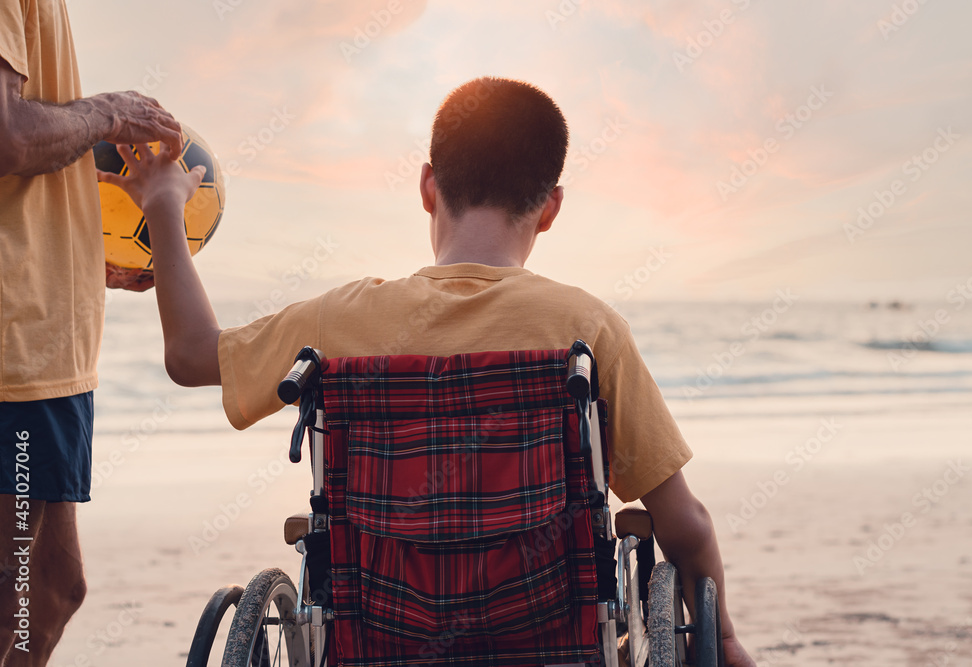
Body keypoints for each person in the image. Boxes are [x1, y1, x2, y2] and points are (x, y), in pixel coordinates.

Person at [103, 76, 756, 666]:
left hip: (381, 634)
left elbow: (191, 355)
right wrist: (722, 638)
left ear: (426, 185)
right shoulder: (587, 327)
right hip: (547, 637)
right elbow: (684, 523)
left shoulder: (340, 320)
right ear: (551, 206)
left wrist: (163, 203)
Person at [0, 0, 183, 663]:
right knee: (10, 599)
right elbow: (7, 136)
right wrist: (108, 112)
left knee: (53, 587)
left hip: (52, 343)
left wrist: (77, 255)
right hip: (15, 355)